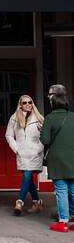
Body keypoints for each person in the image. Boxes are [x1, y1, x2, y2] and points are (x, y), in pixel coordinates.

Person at [40, 84, 74, 233]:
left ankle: (63, 223)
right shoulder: (72, 116)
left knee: (61, 191)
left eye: (50, 95)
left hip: (57, 159)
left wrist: (42, 129)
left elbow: (45, 140)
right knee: (73, 190)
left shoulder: (50, 118)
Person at [5, 93, 45, 216]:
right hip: (22, 153)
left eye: (30, 102)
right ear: (20, 105)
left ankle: (19, 202)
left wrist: (39, 148)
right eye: (25, 103)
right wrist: (16, 149)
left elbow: (45, 137)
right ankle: (37, 203)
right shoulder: (14, 118)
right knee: (29, 178)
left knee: (27, 175)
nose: (28, 104)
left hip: (35, 153)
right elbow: (9, 135)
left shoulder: (39, 118)